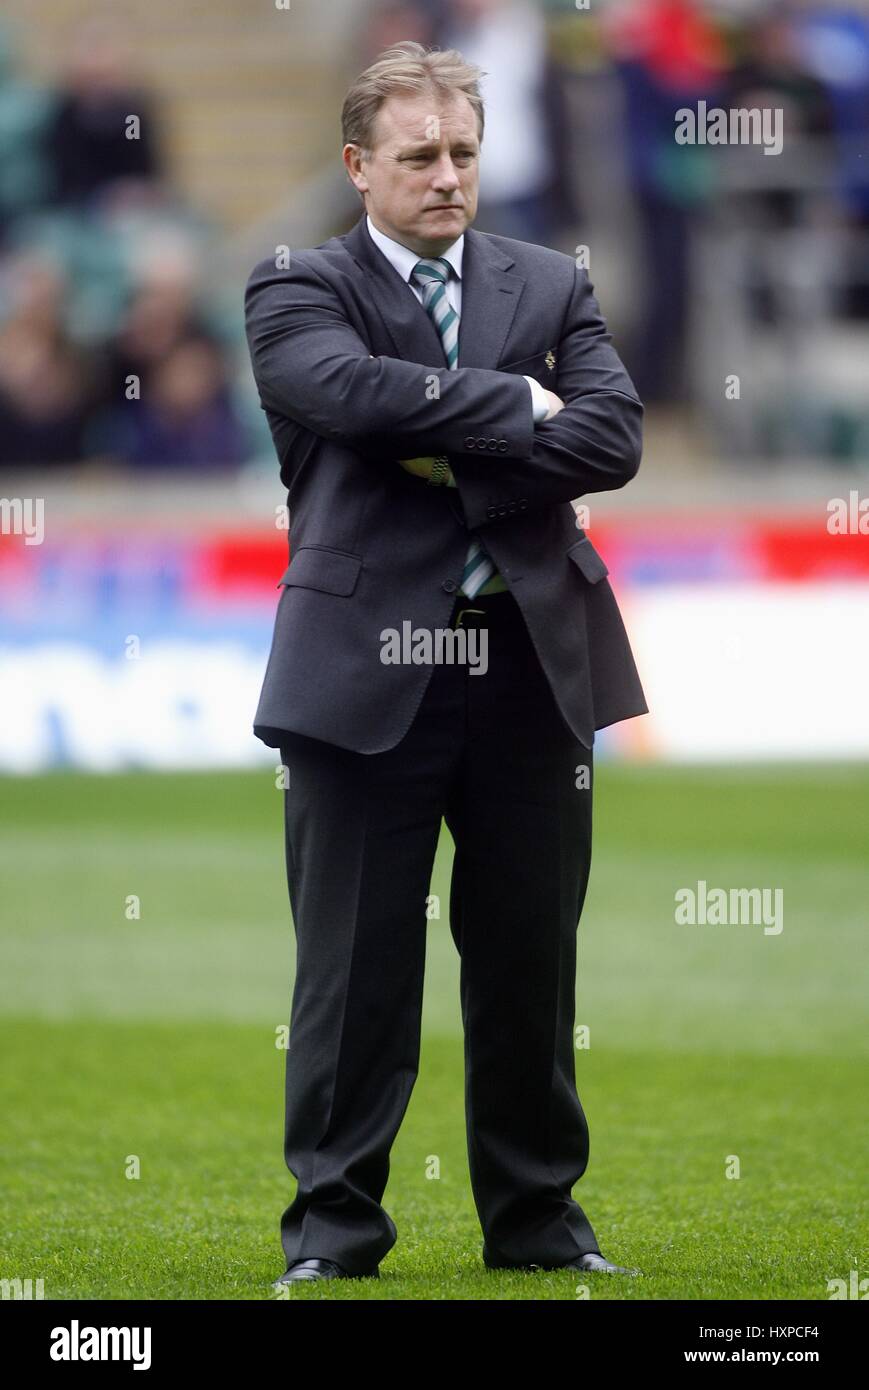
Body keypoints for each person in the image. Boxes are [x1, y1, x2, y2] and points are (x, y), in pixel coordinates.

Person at [244, 40, 647, 1286]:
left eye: (463, 153)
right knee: (355, 976)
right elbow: (347, 398)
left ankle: (536, 1228)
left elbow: (615, 435)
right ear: (358, 165)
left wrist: (449, 433)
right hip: (363, 676)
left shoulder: (546, 278)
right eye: (417, 156)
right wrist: (520, 409)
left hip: (531, 669)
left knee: (530, 963)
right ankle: (333, 1237)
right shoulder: (292, 284)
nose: (446, 177)